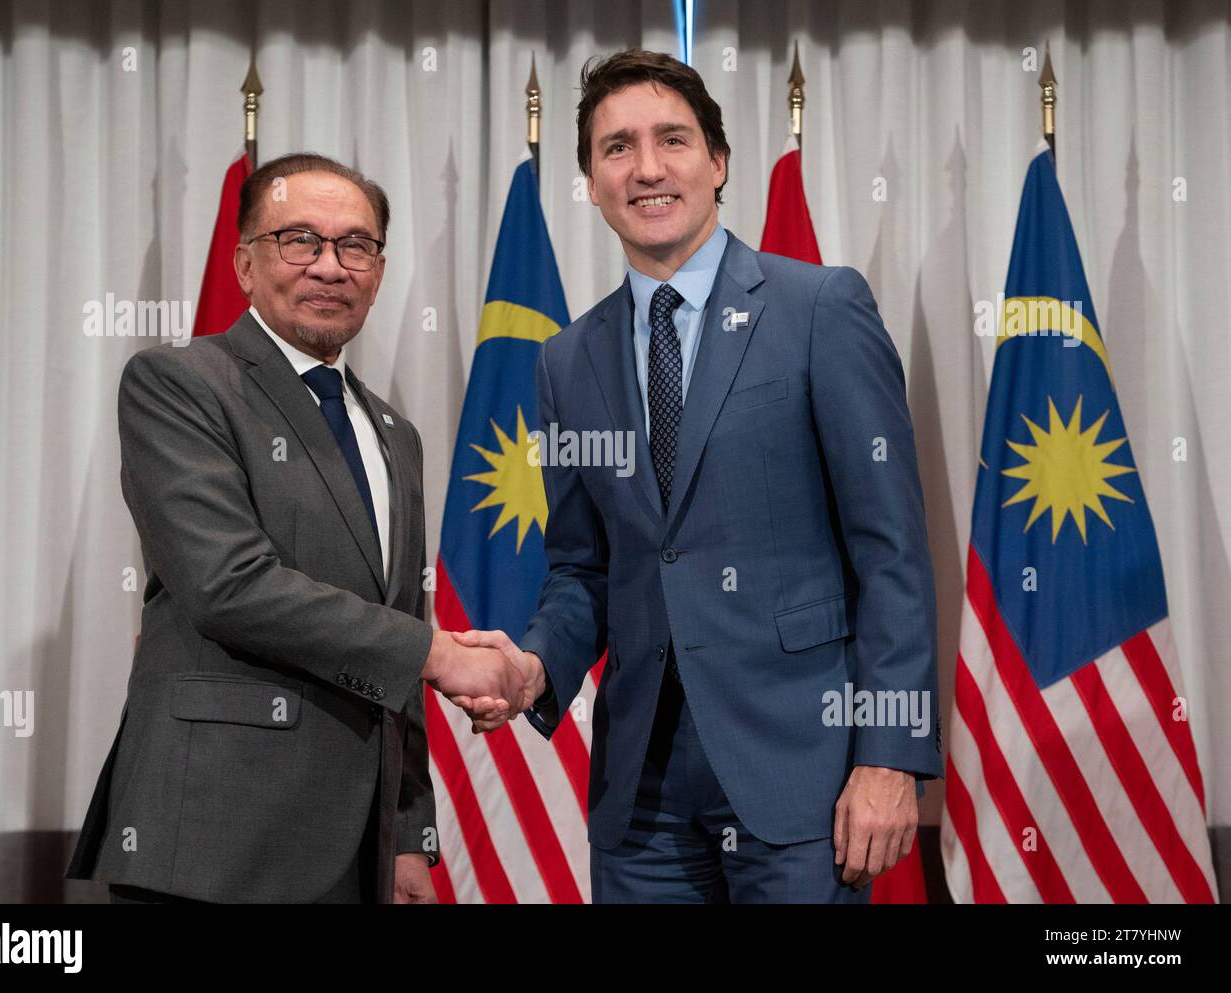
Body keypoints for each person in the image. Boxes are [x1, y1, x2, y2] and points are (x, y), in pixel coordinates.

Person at [455, 51, 943, 903]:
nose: (646, 167)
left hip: (803, 778)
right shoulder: (567, 361)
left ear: (717, 162)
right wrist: (534, 668)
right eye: (617, 148)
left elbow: (893, 550)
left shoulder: (822, 308)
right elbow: (583, 569)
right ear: (592, 182)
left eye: (671, 139)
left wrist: (890, 755)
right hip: (640, 802)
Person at [67, 153, 522, 904]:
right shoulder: (178, 384)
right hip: (214, 840)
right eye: (300, 240)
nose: (331, 266)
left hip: (357, 851)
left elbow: (396, 626)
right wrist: (440, 654)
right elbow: (230, 586)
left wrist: (410, 836)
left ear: (378, 271)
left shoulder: (394, 433)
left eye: (357, 245)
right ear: (245, 263)